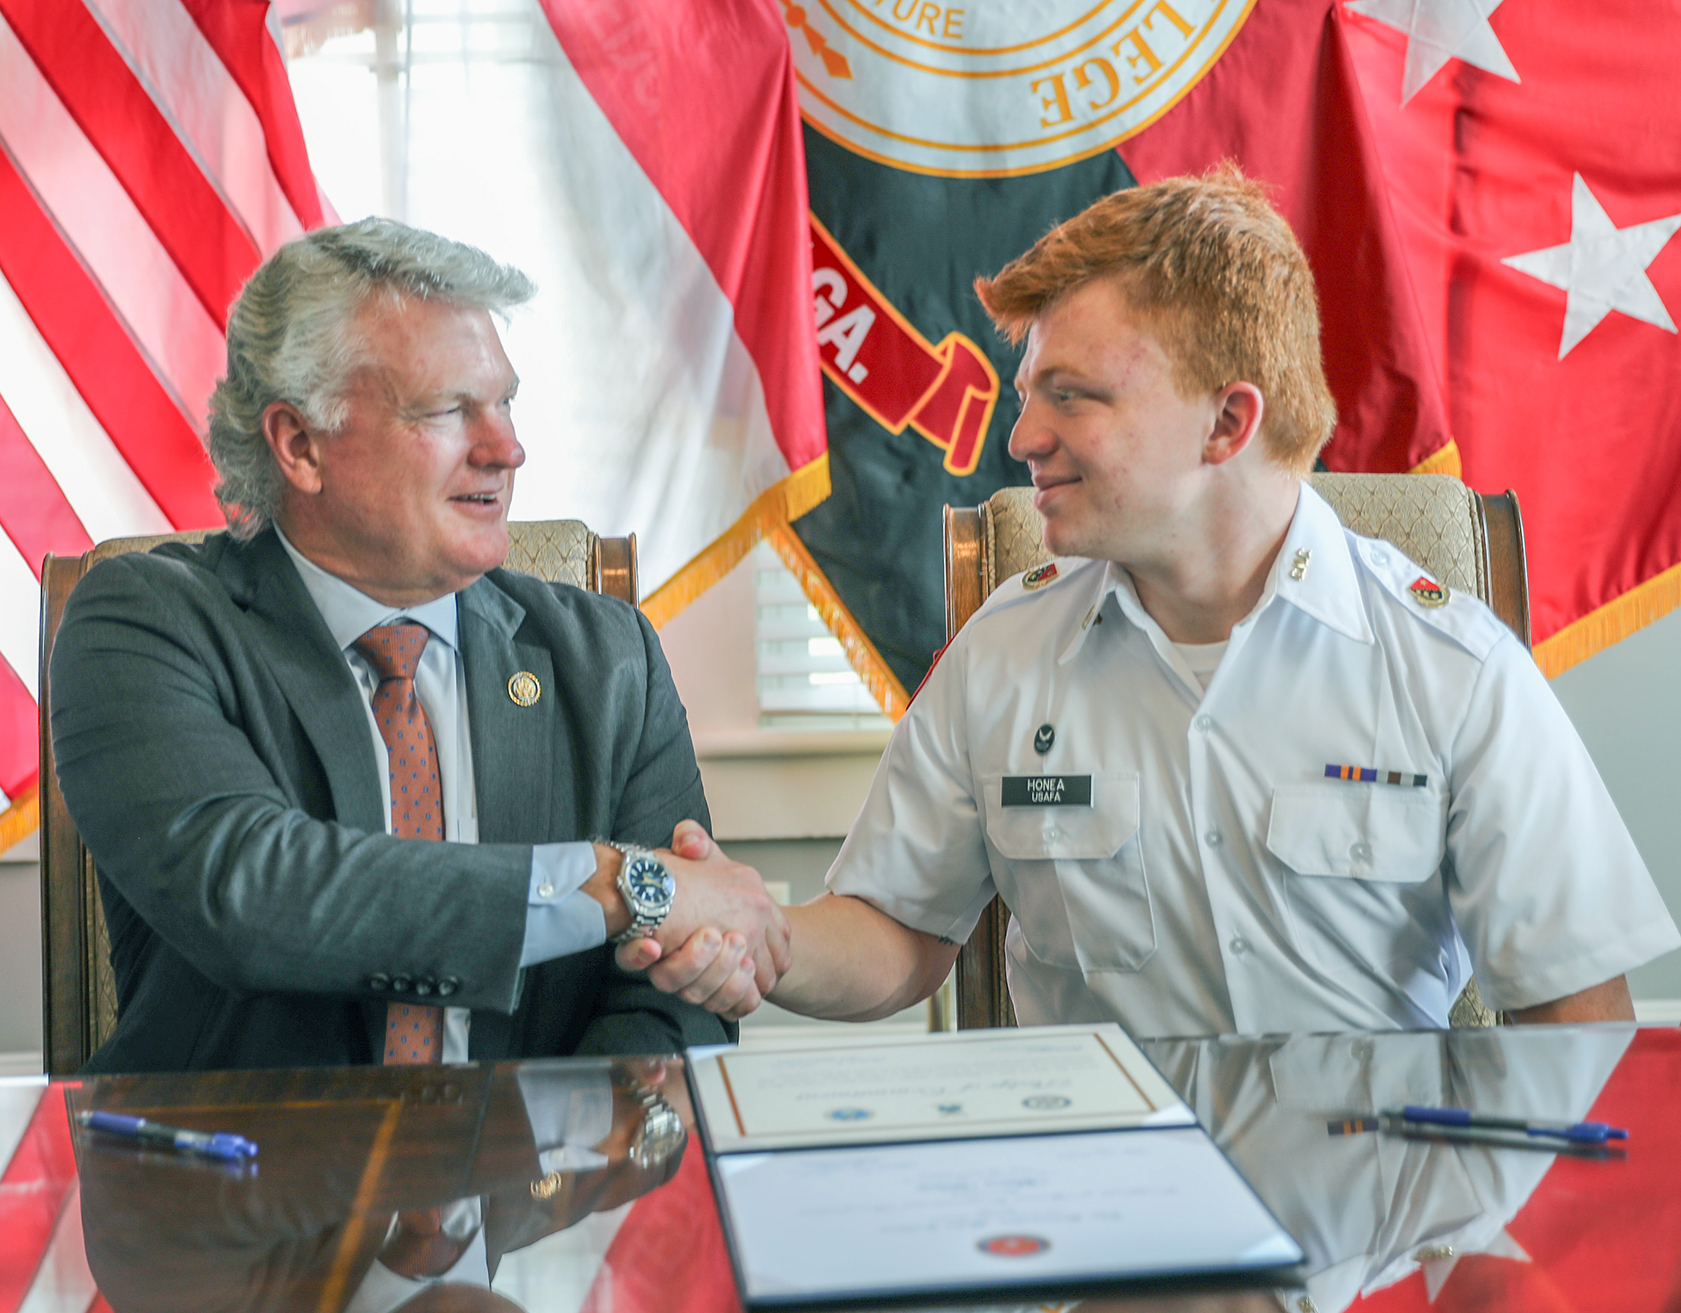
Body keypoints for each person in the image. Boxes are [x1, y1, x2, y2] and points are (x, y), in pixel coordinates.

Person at [628, 169, 1680, 1036]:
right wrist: (766, 930)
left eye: (1070, 395)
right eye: (1028, 389)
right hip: (1096, 1235)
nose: (1019, 436)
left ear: (1226, 423)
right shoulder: (1005, 650)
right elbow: (898, 933)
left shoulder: (1452, 670)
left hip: (1368, 1242)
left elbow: (1575, 1024)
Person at [49, 218, 783, 1073]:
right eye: (446, 409)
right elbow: (254, 892)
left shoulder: (609, 657)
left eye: (504, 401)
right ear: (299, 445)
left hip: (537, 1187)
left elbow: (671, 1001)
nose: (506, 449)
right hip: (235, 1187)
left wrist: (558, 1160)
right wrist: (618, 884)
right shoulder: (145, 621)